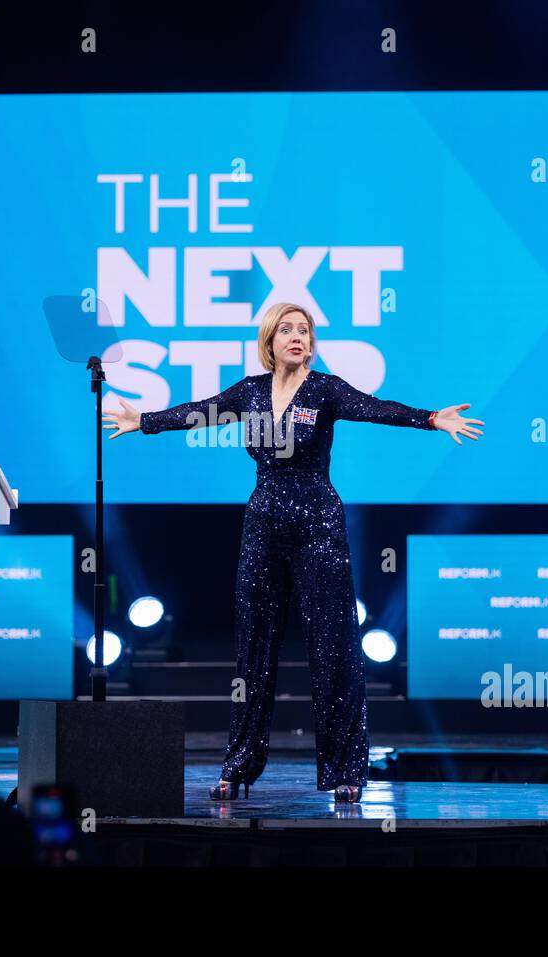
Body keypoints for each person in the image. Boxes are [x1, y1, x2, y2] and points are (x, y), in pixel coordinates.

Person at [102, 302, 484, 802]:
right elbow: (199, 412)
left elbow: (376, 408)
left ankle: (345, 772)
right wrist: (144, 420)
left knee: (334, 647)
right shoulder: (251, 391)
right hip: (262, 522)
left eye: (304, 330)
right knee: (254, 648)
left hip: (318, 522)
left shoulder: (326, 389)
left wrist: (431, 419)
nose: (297, 336)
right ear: (270, 339)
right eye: (287, 329)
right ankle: (238, 766)